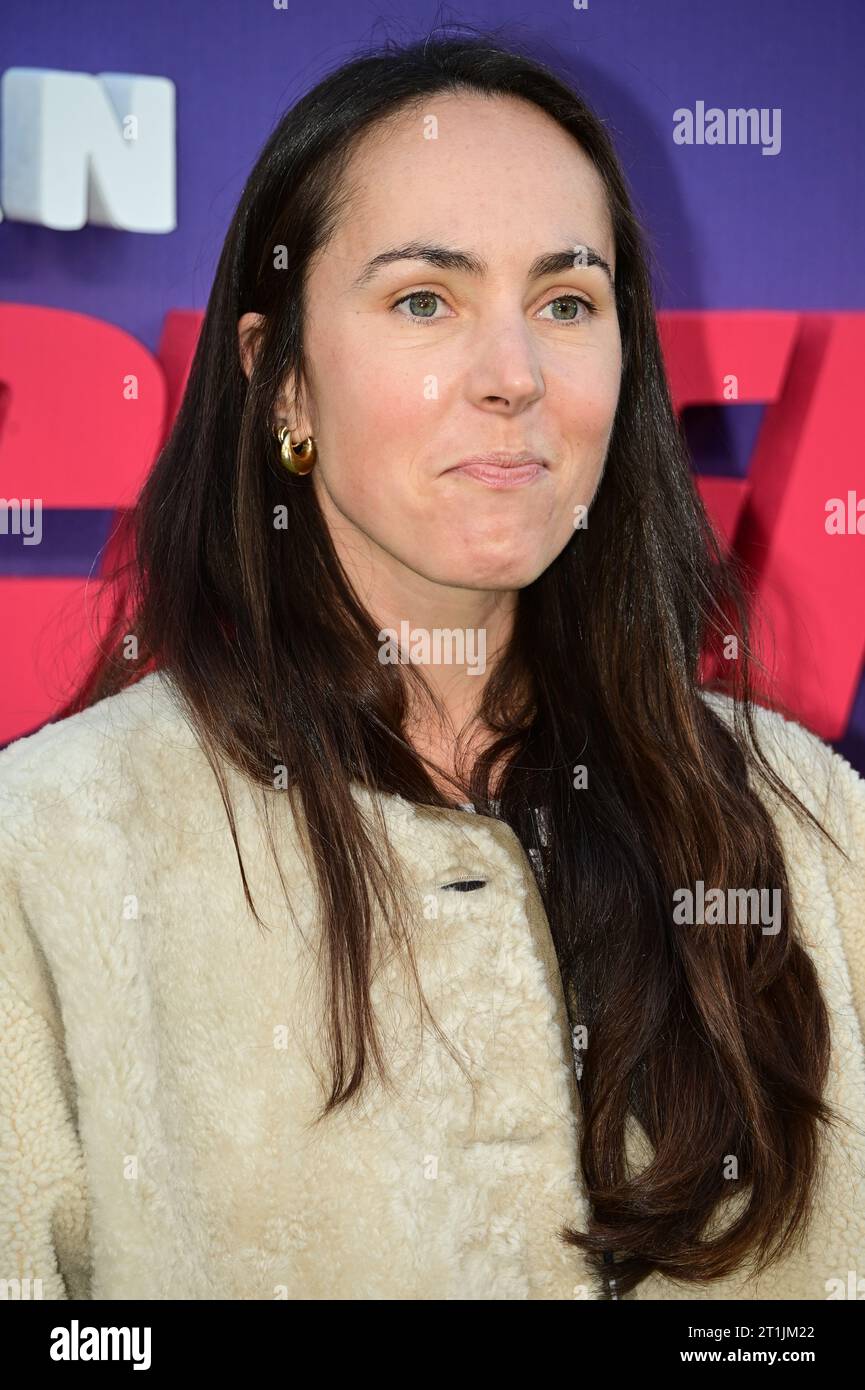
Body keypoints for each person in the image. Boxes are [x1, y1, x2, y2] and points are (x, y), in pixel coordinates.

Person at [1, 31, 863, 1303]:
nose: (514, 376)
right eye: (424, 301)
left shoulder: (815, 830)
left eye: (566, 303)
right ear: (279, 379)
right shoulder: (53, 847)